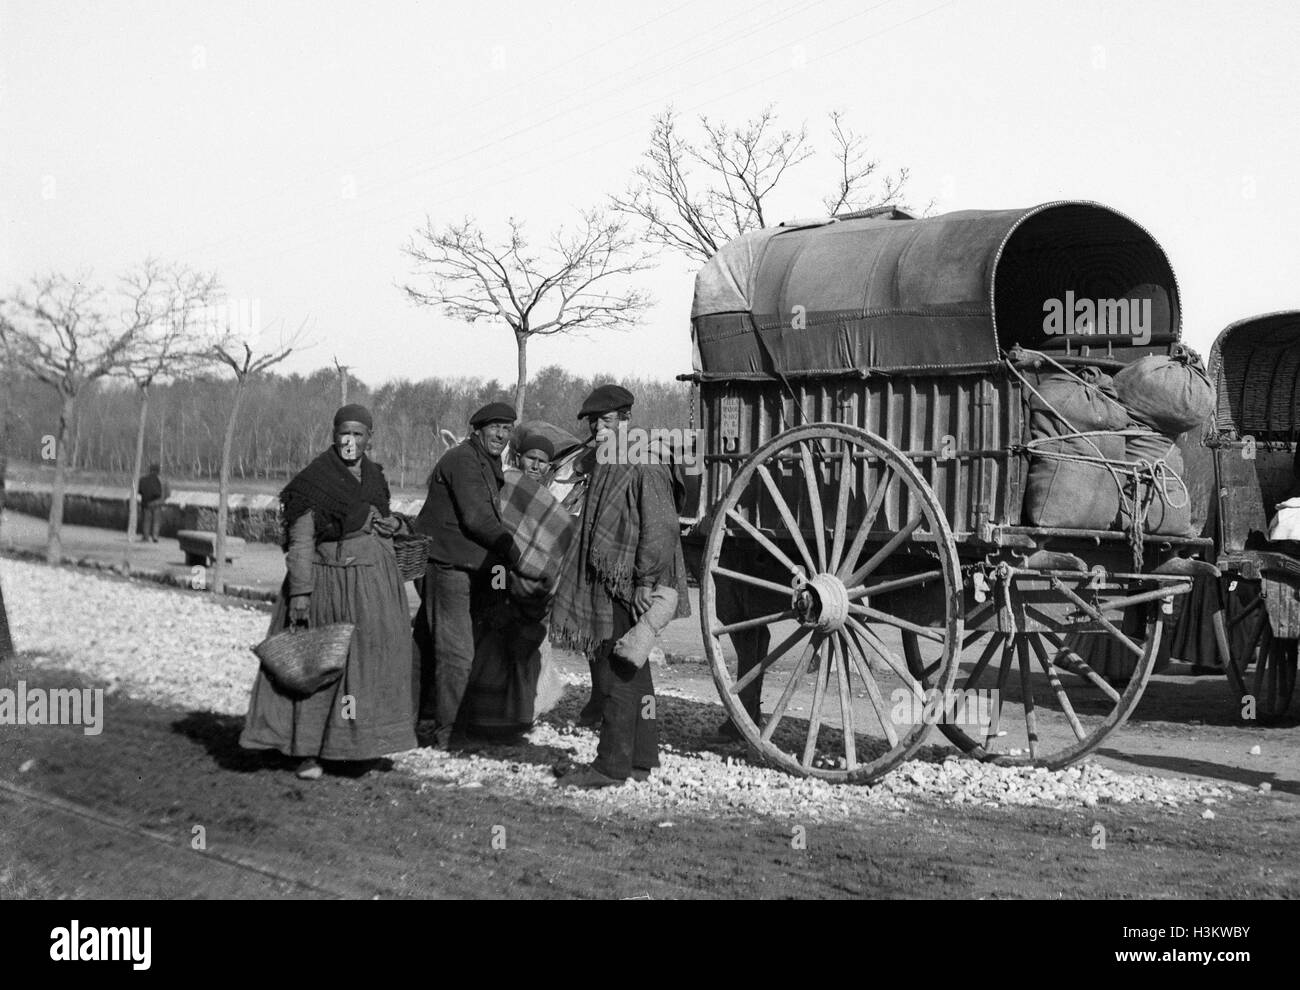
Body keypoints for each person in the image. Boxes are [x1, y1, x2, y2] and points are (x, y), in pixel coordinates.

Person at [240, 404, 417, 780]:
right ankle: (307, 750)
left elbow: (382, 517)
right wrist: (301, 594)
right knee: (320, 665)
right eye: (344, 433)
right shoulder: (314, 481)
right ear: (333, 435)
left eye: (358, 435)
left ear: (370, 438)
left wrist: (392, 524)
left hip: (372, 588)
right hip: (328, 587)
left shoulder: (374, 476)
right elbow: (301, 540)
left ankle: (354, 746)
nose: (350, 441)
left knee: (367, 668)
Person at [549, 385, 690, 788]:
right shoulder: (612, 458)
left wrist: (646, 580)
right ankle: (642, 758)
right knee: (634, 664)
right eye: (593, 423)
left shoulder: (643, 460)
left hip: (628, 581)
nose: (597, 430)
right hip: (618, 576)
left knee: (617, 670)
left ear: (625, 419)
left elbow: (662, 526)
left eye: (605, 422)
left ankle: (610, 766)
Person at [412, 401, 521, 750]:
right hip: (447, 565)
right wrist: (511, 549)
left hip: (458, 563)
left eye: (507, 429)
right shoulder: (462, 460)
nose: (501, 435)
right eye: (495, 428)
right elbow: (477, 518)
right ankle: (450, 733)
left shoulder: (484, 461)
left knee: (427, 644)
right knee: (457, 652)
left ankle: (418, 719)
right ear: (478, 429)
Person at [137, 463, 169, 542]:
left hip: (147, 503)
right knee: (157, 521)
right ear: (159, 471)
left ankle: (146, 537)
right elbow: (168, 493)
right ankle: (155, 537)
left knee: (146, 521)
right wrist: (163, 499)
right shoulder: (164, 480)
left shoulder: (143, 479)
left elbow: (139, 491)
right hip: (158, 504)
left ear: (150, 470)